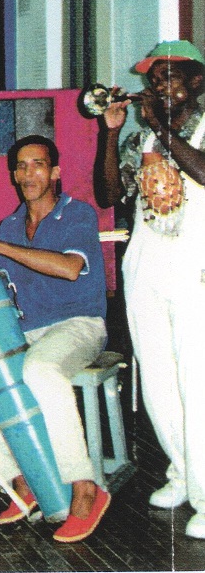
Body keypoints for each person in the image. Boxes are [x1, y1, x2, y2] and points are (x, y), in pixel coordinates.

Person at [0, 135, 110, 543]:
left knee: (40, 369)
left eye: (37, 164)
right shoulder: (11, 225)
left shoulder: (78, 214)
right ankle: (24, 476)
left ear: (54, 172)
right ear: (14, 175)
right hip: (29, 330)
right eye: (21, 166)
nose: (28, 173)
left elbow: (70, 268)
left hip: (79, 323)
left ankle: (85, 486)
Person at [93, 40, 205, 539]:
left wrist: (158, 126)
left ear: (197, 81)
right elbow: (107, 194)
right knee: (158, 382)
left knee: (196, 383)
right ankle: (184, 474)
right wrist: (111, 134)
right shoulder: (143, 136)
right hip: (146, 269)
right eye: (154, 80)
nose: (160, 87)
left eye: (169, 77)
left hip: (194, 270)